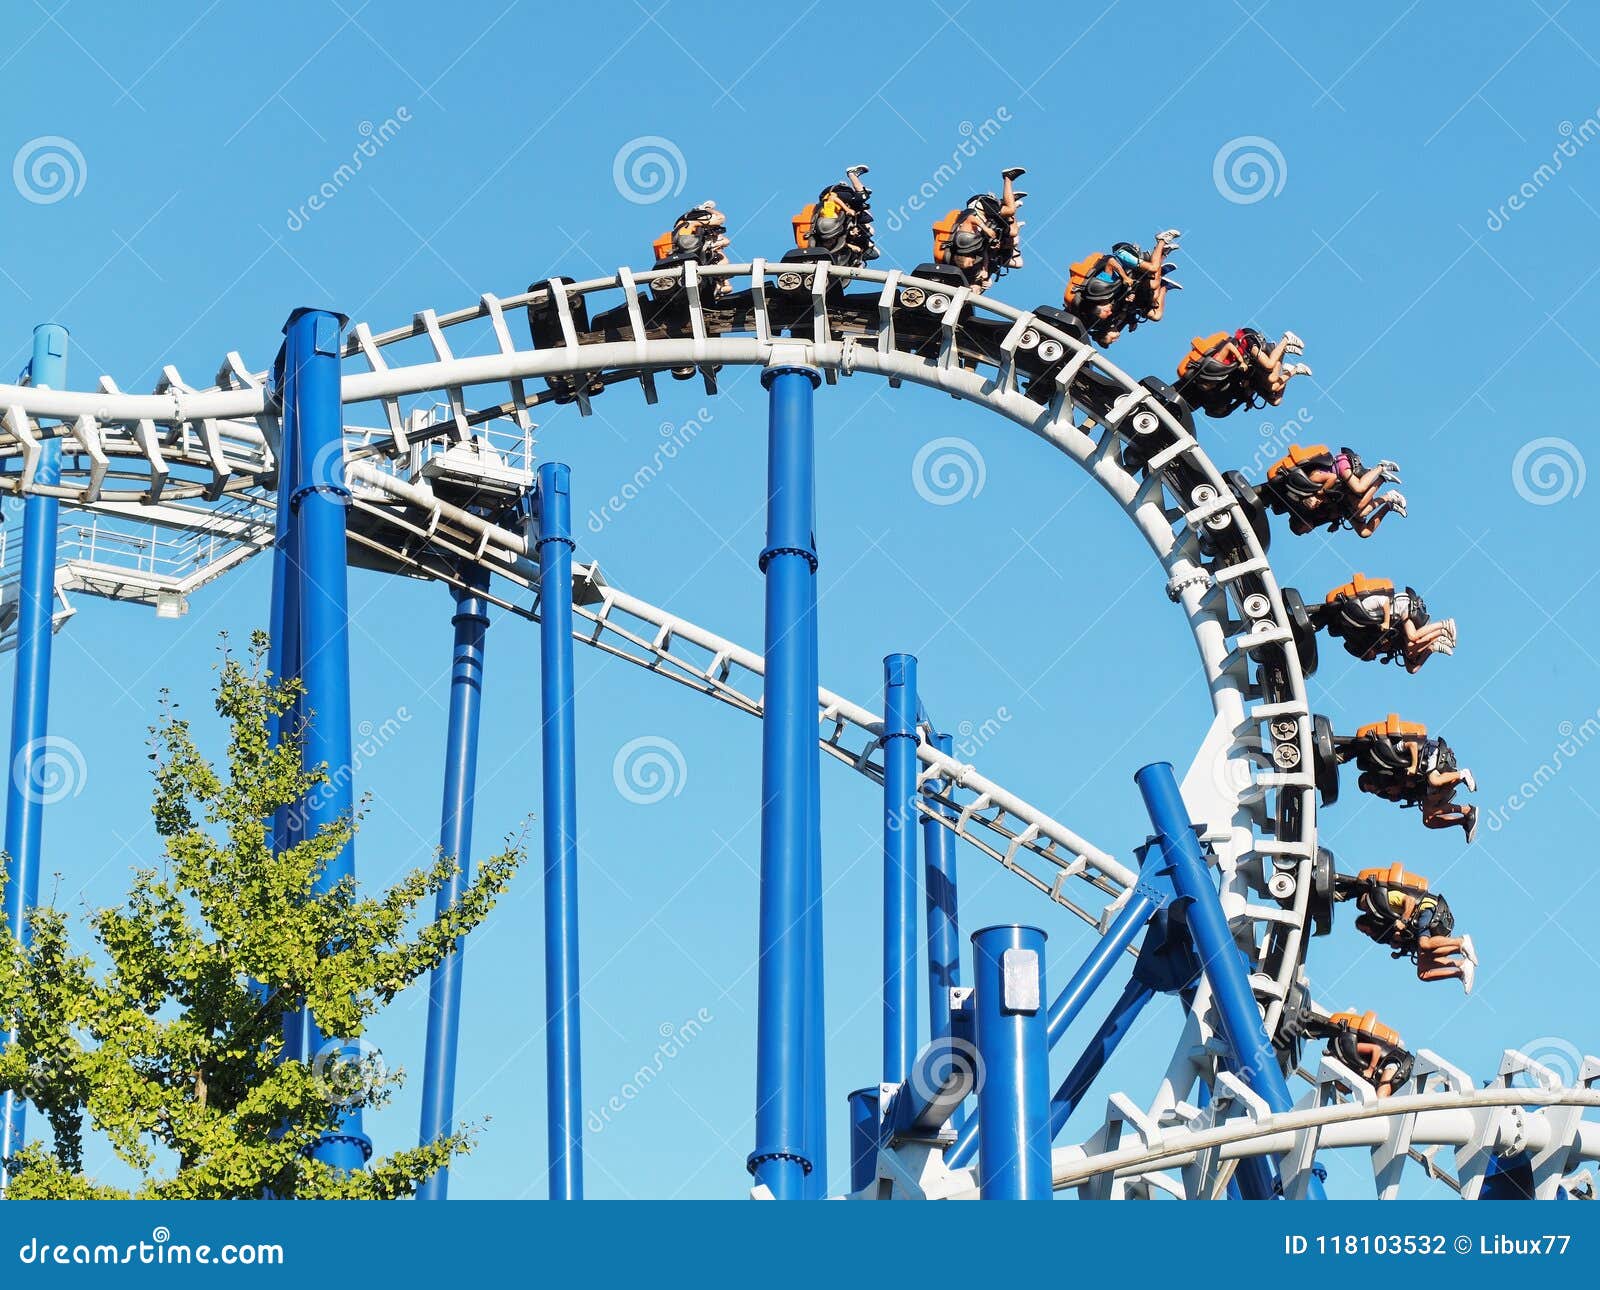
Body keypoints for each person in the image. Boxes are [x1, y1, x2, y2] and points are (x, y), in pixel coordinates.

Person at [1334, 865, 1477, 992]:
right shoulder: (1383, 928)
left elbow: (1409, 901)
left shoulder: (1386, 896)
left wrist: (1403, 920)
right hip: (1418, 923)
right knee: (1423, 973)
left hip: (1426, 909)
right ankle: (1461, 968)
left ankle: (1461, 942)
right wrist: (1399, 947)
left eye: (1364, 930)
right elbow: (1400, 936)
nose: (1366, 933)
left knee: (1424, 944)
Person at [1316, 575, 1456, 673]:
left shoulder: (1364, 606)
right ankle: (1433, 646)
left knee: (1412, 637)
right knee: (1412, 668)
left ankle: (1444, 626)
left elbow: (1383, 601)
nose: (1375, 655)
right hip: (1400, 622)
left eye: (1372, 656)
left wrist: (1386, 622)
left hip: (1402, 606)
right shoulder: (1378, 642)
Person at [1263, 444, 1406, 537]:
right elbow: (1332, 510)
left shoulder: (1313, 481)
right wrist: (1335, 523)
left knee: (1359, 493)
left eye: (1304, 530)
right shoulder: (1317, 518)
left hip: (1340, 467)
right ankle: (1389, 503)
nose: (1308, 532)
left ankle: (1381, 471)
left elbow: (1331, 477)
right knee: (1364, 532)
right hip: (1342, 502)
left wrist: (1321, 493)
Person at [1064, 230, 1181, 344]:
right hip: (1130, 276)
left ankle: (1161, 241)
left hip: (1122, 255)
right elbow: (1123, 301)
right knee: (1155, 307)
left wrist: (1125, 278)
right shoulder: (1109, 311)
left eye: (1106, 312)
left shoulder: (1099, 289)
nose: (1109, 313)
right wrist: (1132, 316)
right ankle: (1163, 281)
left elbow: (1110, 261)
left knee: (1153, 270)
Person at [1176, 327, 1310, 413]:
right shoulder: (1228, 391)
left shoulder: (1214, 366)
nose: (1213, 386)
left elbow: (1229, 346)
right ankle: (1293, 369)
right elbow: (1242, 386)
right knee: (1275, 397)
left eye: (1210, 385)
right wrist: (1248, 399)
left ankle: (1286, 339)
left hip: (1245, 342)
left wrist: (1240, 361)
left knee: (1269, 365)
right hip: (1250, 367)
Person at [934, 166, 1026, 292]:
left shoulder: (964, 241)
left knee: (1010, 210)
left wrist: (985, 229)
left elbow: (970, 219)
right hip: (989, 221)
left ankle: (1007, 178)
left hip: (981, 208)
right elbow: (984, 253)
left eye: (970, 264)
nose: (972, 264)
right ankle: (1009, 200)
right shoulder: (974, 252)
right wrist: (985, 270)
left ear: (966, 257)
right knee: (1013, 232)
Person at [1320, 1011, 1414, 1098]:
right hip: (1392, 1071)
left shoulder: (1349, 1049)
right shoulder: (1352, 1065)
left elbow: (1376, 1049)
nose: (1345, 1093)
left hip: (1395, 1062)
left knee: (1380, 1099)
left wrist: (1370, 1069)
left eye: (1341, 1089)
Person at [800, 164, 879, 264]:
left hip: (839, 195)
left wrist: (847, 209)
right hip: (840, 198)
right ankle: (854, 178)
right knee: (863, 200)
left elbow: (832, 198)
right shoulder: (833, 229)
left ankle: (854, 180)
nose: (830, 242)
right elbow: (842, 242)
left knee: (862, 203)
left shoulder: (829, 215)